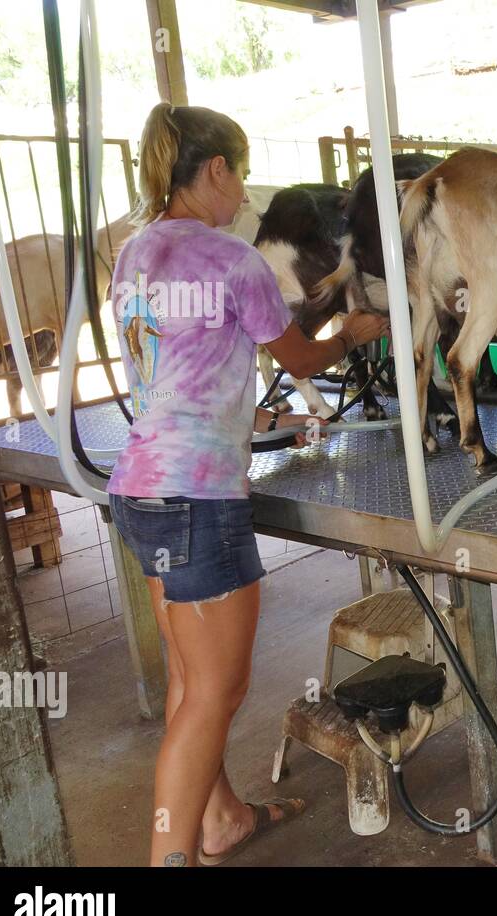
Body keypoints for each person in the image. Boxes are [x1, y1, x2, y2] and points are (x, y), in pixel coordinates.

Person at [107, 102, 388, 866]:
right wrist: (351, 334)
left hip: (139, 489)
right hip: (198, 500)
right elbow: (297, 360)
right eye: (243, 173)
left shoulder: (133, 253)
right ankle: (168, 860)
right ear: (217, 169)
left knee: (190, 682)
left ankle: (221, 819)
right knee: (214, 695)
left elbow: (178, 365)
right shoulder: (234, 262)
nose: (246, 196)